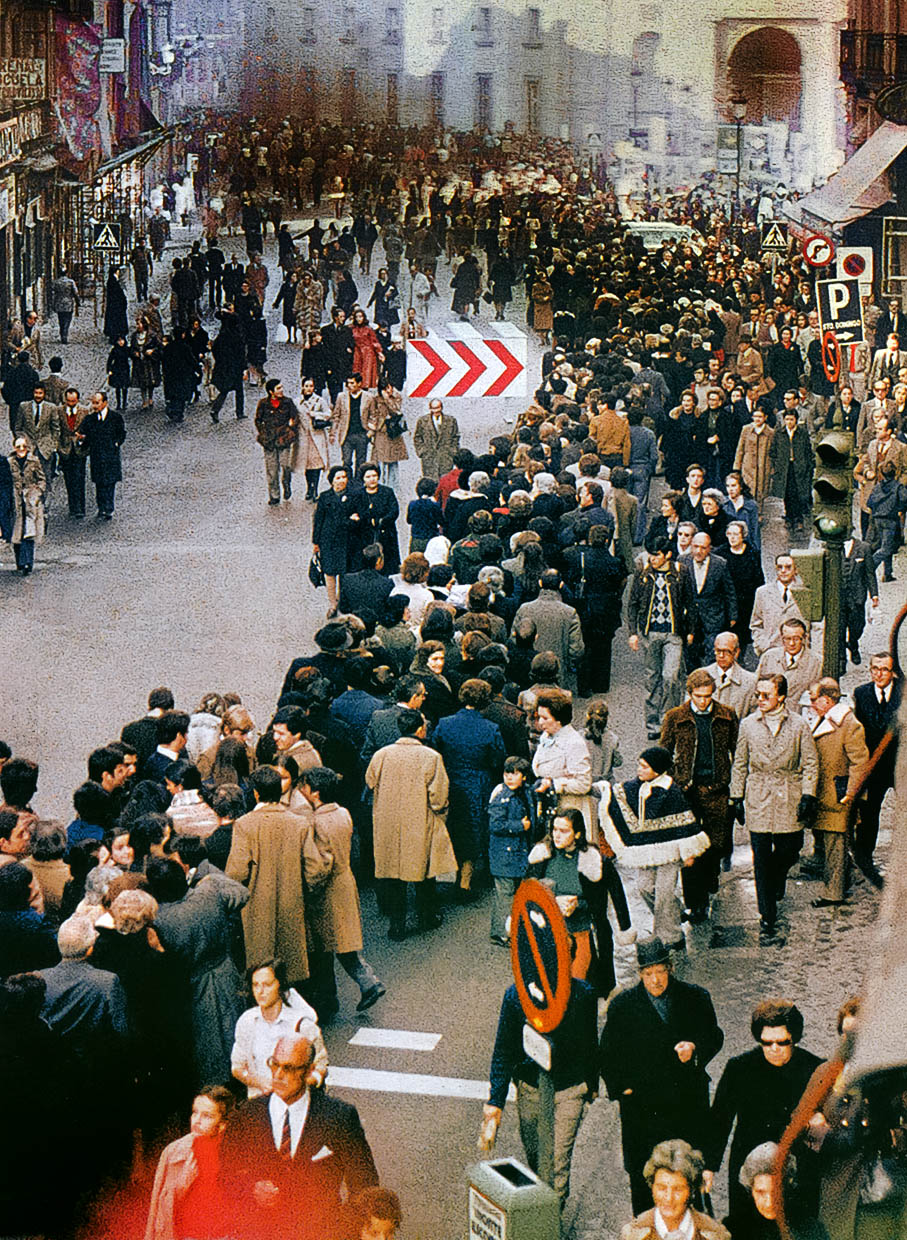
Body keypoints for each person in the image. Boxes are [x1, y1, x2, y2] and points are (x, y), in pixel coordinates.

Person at [600, 938, 724, 1214]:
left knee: (688, 1180)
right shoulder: (622, 1006)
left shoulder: (695, 997)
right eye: (648, 974)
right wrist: (622, 1089)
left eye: (660, 972)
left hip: (686, 1106)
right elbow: (607, 1054)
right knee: (645, 1182)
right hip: (643, 1113)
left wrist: (695, 1049)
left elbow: (714, 1036)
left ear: (670, 968)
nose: (655, 980)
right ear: (640, 974)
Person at [218, 1033, 379, 1240]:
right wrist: (251, 1189)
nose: (278, 1075)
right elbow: (225, 1176)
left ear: (309, 1070)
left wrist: (345, 1230)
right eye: (274, 1064)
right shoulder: (248, 1115)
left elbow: (364, 1183)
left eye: (289, 1068)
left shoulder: (339, 1117)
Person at [481, 939, 599, 1207]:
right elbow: (503, 1051)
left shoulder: (583, 995)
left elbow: (591, 1043)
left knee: (557, 1165)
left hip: (570, 1091)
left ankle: (549, 1222)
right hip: (531, 1090)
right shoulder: (516, 997)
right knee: (536, 1160)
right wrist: (495, 1100)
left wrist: (591, 1084)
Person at [707, 999, 822, 1218]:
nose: (774, 1049)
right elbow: (720, 1120)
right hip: (748, 1167)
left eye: (782, 1042)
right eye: (767, 1043)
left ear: (794, 1039)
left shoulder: (815, 1069)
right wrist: (709, 1166)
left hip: (797, 1168)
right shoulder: (739, 1068)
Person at [146, 856, 249, 1086]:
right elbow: (242, 894)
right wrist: (212, 879)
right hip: (225, 969)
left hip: (194, 981)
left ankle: (216, 1088)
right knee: (234, 1026)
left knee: (207, 1039)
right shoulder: (209, 891)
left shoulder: (161, 919)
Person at [730, 673, 819, 938]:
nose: (760, 700)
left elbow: (811, 763)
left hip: (787, 794)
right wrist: (736, 797)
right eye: (758, 694)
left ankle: (777, 879)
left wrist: (807, 795)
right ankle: (766, 915)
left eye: (766, 695)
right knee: (761, 858)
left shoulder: (799, 725)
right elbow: (740, 762)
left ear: (781, 696)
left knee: (790, 849)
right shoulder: (748, 725)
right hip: (758, 794)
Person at [226, 765, 330, 990]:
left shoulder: (244, 824)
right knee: (291, 960)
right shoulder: (299, 823)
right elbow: (314, 869)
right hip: (292, 900)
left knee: (260, 961)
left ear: (255, 793)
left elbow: (237, 872)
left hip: (256, 905)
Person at [598, 747, 708, 947]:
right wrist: (599, 788)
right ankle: (677, 913)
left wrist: (688, 853)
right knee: (644, 887)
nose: (639, 769)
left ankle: (671, 937)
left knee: (665, 894)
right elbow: (614, 793)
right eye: (639, 765)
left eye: (644, 766)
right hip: (647, 850)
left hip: (670, 851)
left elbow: (685, 824)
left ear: (657, 770)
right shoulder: (635, 787)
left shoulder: (672, 792)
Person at [299, 767, 385, 1016]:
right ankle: (369, 982)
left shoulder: (314, 822)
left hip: (328, 891)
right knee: (345, 944)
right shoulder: (343, 813)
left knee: (323, 948)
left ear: (315, 793)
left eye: (304, 787)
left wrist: (309, 889)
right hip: (346, 881)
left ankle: (329, 1000)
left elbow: (319, 865)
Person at [364, 708, 455, 940]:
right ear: (420, 729)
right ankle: (426, 917)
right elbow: (438, 796)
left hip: (388, 821)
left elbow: (370, 780)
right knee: (423, 871)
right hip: (420, 819)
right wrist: (440, 813)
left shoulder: (381, 755)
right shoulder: (431, 757)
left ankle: (397, 926)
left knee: (394, 875)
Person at [660, 670, 738, 924]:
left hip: (717, 789)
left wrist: (735, 788)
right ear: (689, 693)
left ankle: (710, 880)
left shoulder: (726, 715)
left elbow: (737, 751)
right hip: (688, 791)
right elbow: (663, 753)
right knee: (690, 850)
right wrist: (675, 780)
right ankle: (695, 903)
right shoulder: (675, 717)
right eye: (698, 696)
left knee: (716, 844)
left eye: (707, 696)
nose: (704, 701)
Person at [527, 806, 633, 989]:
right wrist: (552, 901)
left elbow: (617, 894)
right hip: (550, 931)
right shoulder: (541, 857)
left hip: (587, 933)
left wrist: (625, 927)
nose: (557, 835)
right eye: (554, 830)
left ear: (577, 834)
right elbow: (528, 891)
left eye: (564, 831)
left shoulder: (595, 861)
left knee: (583, 987)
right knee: (552, 985)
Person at [433, 679, 506, 898]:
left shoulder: (445, 723)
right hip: (478, 783)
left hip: (451, 781)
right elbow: (498, 758)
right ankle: (465, 881)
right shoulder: (490, 728)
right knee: (474, 830)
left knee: (453, 827)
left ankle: (451, 874)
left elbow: (436, 749)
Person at [806, 678, 869, 907]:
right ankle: (840, 883)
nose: (811, 703)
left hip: (837, 794)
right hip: (825, 793)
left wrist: (851, 794)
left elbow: (859, 761)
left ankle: (834, 894)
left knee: (836, 845)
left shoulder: (848, 723)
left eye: (814, 699)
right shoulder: (823, 718)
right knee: (830, 843)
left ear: (827, 699)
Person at [145, 1085, 235, 1240]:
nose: (197, 1121)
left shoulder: (234, 1152)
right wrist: (181, 1185)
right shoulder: (174, 1152)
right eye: (194, 1113)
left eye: (207, 1116)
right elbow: (157, 1211)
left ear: (222, 1124)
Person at [231, 958, 327, 1097]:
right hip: (260, 1104)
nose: (260, 991)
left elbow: (320, 1065)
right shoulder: (247, 1021)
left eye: (267, 984)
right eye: (256, 985)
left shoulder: (302, 1025)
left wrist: (296, 1086)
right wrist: (260, 1082)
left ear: (280, 986)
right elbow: (237, 1067)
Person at [628, 541, 695, 739]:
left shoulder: (680, 572)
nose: (652, 559)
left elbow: (690, 602)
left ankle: (671, 719)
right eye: (650, 555)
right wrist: (633, 632)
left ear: (667, 554)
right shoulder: (644, 574)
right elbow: (632, 603)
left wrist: (690, 629)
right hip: (651, 634)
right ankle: (652, 724)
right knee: (652, 679)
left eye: (656, 555)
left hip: (673, 634)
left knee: (671, 677)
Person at [620, 1139, 730, 1240]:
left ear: (691, 1191)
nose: (668, 1198)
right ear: (652, 1187)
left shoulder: (716, 1235)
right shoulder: (632, 1234)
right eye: (661, 1188)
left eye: (678, 1189)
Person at [852, 652, 901, 878]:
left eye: (884, 670)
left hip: (899, 763)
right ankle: (865, 858)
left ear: (893, 673)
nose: (879, 674)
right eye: (875, 669)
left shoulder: (903, 693)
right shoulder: (861, 694)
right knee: (869, 813)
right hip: (873, 766)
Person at [531, 687, 595, 835]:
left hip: (569, 809)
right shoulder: (546, 736)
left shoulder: (574, 743)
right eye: (539, 717)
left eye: (545, 718)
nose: (540, 722)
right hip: (549, 806)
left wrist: (554, 784)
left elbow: (584, 783)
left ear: (559, 720)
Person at [487, 756, 534, 946]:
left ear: (523, 776)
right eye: (507, 774)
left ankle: (513, 928)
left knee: (514, 891)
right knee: (504, 894)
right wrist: (519, 826)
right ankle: (500, 933)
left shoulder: (526, 793)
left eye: (515, 774)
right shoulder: (501, 796)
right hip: (503, 854)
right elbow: (495, 824)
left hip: (517, 853)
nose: (510, 778)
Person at [680, 532, 737, 669]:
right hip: (690, 617)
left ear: (709, 548)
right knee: (691, 653)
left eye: (703, 548)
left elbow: (729, 591)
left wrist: (732, 615)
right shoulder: (682, 561)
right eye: (696, 547)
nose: (699, 551)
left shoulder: (720, 564)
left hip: (713, 616)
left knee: (713, 652)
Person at [313, 466, 362, 616]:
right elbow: (318, 520)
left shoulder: (354, 496)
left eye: (344, 477)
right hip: (328, 539)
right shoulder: (324, 497)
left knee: (345, 571)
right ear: (332, 481)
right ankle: (332, 604)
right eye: (338, 478)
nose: (342, 481)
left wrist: (350, 521)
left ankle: (343, 601)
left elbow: (358, 518)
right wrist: (316, 542)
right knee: (329, 572)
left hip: (347, 539)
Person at [755, 618, 821, 711]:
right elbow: (755, 689)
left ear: (805, 638)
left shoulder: (817, 662)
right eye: (787, 638)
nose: (791, 643)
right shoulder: (769, 657)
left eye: (796, 639)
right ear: (781, 638)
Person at [79, 391, 126, 520]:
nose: (94, 406)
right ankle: (101, 508)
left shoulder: (115, 417)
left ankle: (109, 508)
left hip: (111, 455)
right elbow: (84, 435)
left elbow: (121, 433)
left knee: (110, 482)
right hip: (97, 455)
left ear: (105, 403)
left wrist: (116, 444)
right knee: (99, 483)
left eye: (97, 403)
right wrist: (81, 440)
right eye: (93, 403)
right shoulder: (90, 419)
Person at [724, 1143, 783, 1240]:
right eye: (760, 1192)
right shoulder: (732, 1231)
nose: (769, 1203)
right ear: (750, 1189)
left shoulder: (806, 1230)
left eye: (776, 1192)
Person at [255, 379, 299, 506]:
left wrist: (291, 430)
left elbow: (295, 417)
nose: (281, 390)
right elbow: (258, 420)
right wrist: (263, 433)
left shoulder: (287, 402)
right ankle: (274, 495)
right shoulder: (263, 404)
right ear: (271, 391)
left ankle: (286, 484)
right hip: (269, 441)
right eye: (278, 388)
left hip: (284, 439)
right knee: (272, 470)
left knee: (286, 465)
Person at [6, 436, 45, 575]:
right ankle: (20, 562)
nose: (21, 449)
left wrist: (37, 492)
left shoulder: (33, 461)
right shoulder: (9, 462)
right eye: (18, 447)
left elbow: (41, 479)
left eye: (23, 446)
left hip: (30, 501)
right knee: (17, 533)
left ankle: (28, 562)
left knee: (29, 532)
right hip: (15, 500)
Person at [412, 399, 461, 480]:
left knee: (445, 482)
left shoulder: (451, 420)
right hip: (429, 458)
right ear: (430, 409)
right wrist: (422, 451)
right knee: (430, 483)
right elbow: (417, 437)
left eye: (437, 408)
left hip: (446, 458)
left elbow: (455, 437)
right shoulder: (422, 421)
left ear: (441, 408)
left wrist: (453, 451)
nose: (436, 411)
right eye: (433, 408)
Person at [51, 266, 80, 343]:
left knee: (61, 319)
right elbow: (75, 293)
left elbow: (53, 293)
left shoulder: (56, 282)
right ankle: (65, 334)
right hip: (68, 303)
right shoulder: (70, 282)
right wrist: (78, 302)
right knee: (67, 319)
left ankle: (62, 333)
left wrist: (53, 304)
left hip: (59, 302)